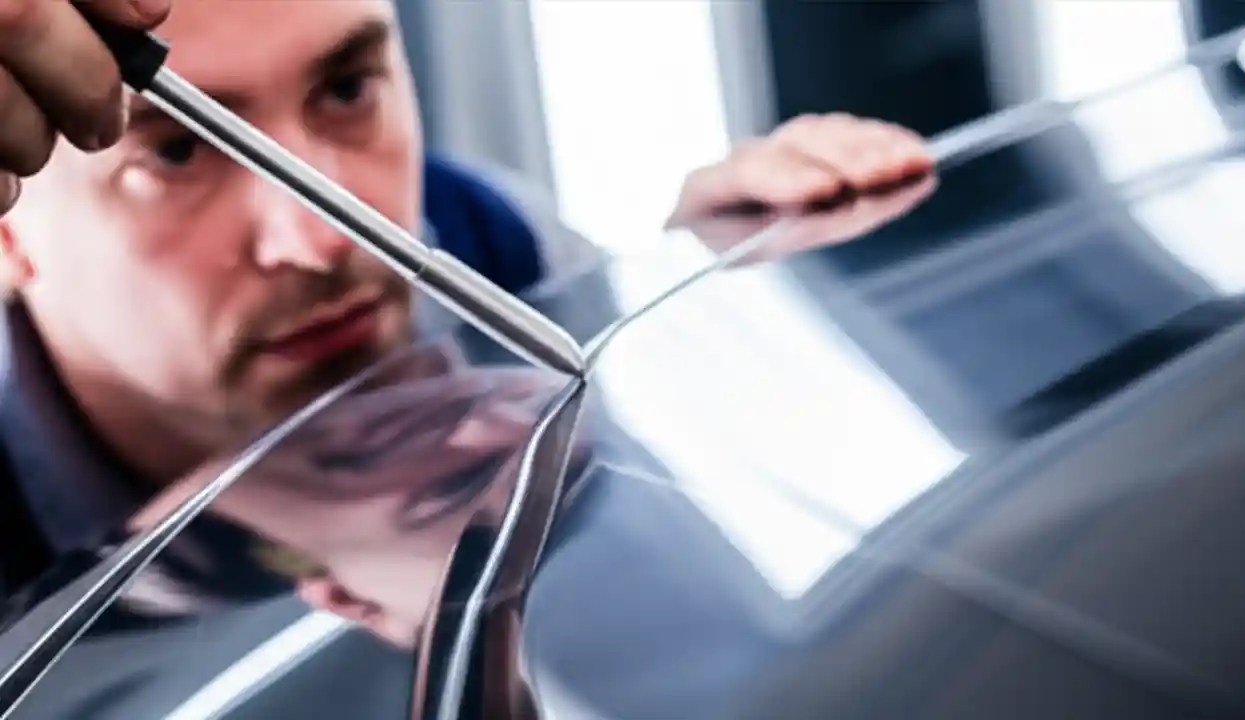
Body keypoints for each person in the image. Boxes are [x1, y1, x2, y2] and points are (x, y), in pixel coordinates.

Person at [0, 0, 935, 596]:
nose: (329, 235)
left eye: (348, 87)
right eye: (176, 151)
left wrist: (712, 268)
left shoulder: (488, 235)